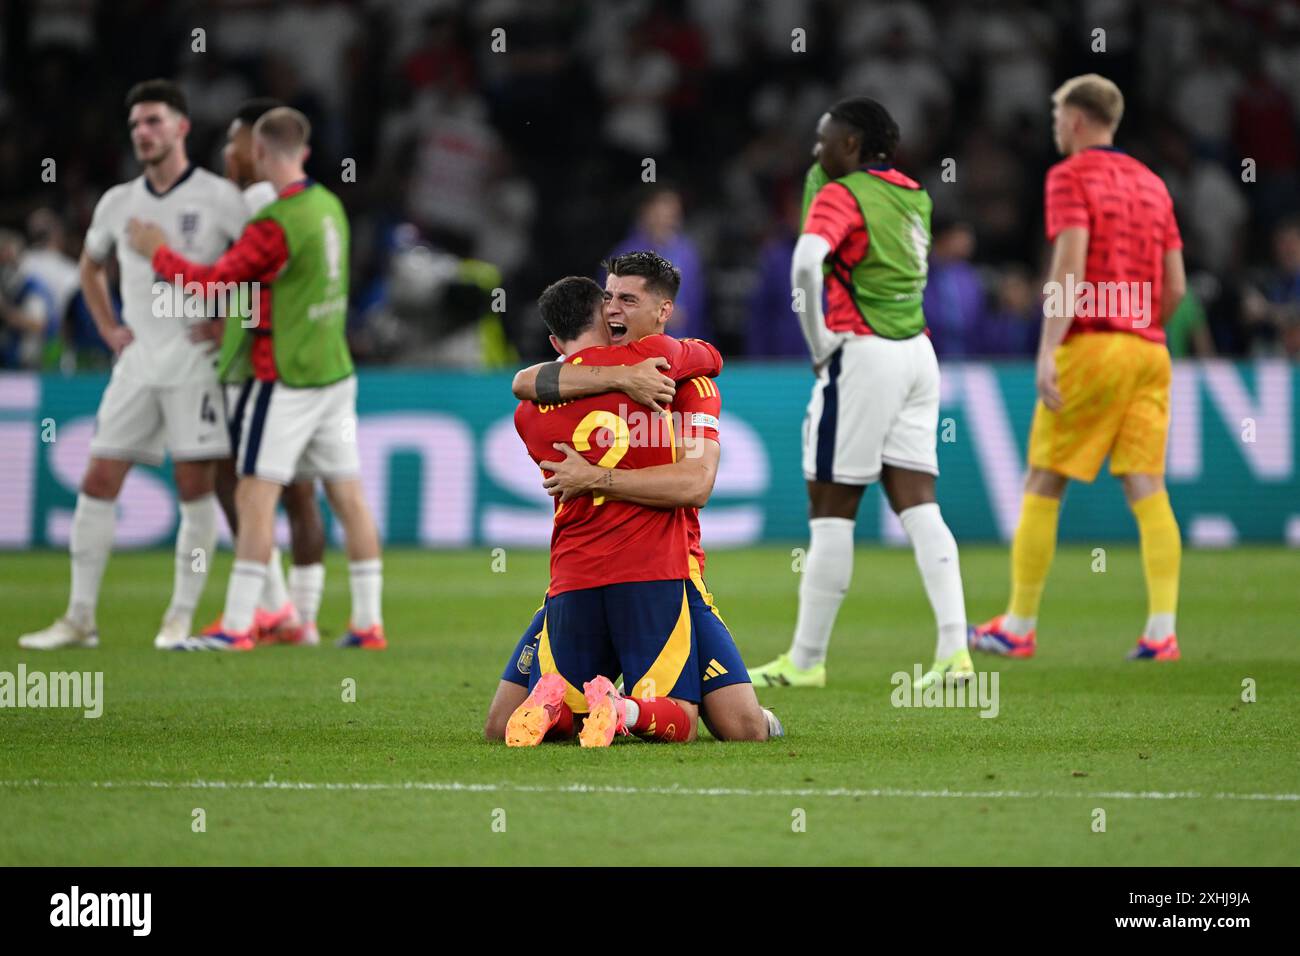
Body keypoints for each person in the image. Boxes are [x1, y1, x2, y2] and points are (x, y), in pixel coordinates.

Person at [485, 252, 781, 743]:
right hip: (656, 573)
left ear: (663, 311)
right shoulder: (669, 375)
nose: (614, 309)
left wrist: (594, 476)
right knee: (718, 726)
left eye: (627, 298)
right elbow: (693, 483)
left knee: (739, 724)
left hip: (595, 570)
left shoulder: (549, 400)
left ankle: (577, 705)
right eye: (607, 298)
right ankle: (623, 710)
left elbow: (693, 484)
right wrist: (622, 375)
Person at [126, 107, 385, 651]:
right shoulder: (329, 205)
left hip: (285, 376)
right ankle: (367, 624)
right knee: (348, 497)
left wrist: (158, 254)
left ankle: (239, 624)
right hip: (335, 372)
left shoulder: (276, 223)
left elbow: (213, 282)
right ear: (306, 152)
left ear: (261, 154)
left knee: (254, 493)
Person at [748, 97, 972, 690]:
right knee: (919, 504)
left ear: (850, 145)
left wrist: (819, 342)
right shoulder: (914, 194)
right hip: (919, 356)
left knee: (831, 508)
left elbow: (805, 264)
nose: (815, 149)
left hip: (863, 354)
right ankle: (955, 653)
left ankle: (805, 660)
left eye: (824, 139)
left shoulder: (839, 196)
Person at [19, 79, 247, 650]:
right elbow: (90, 268)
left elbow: (258, 273)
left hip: (197, 363)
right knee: (98, 480)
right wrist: (106, 326)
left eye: (153, 121)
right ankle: (79, 618)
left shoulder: (221, 198)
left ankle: (179, 616)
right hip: (138, 361)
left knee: (194, 486)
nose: (143, 133)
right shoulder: (118, 202)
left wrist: (230, 323)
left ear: (181, 127)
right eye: (136, 125)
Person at [970, 74, 1187, 662]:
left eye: (1056, 116)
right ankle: (1161, 631)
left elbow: (1069, 263)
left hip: (1093, 344)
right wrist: (1145, 326)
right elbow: (1176, 285)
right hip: (1149, 350)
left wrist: (1048, 348)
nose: (1053, 126)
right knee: (1147, 486)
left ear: (1075, 120)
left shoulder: (1070, 176)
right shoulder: (1153, 184)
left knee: (1044, 479)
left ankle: (1017, 625)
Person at [189, 97, 328, 645]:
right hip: (303, 357)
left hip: (258, 362)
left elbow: (249, 278)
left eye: (234, 139)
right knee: (297, 489)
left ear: (257, 146)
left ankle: (274, 613)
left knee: (239, 480)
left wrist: (230, 324)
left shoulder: (254, 200)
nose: (227, 150)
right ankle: (300, 616)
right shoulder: (304, 200)